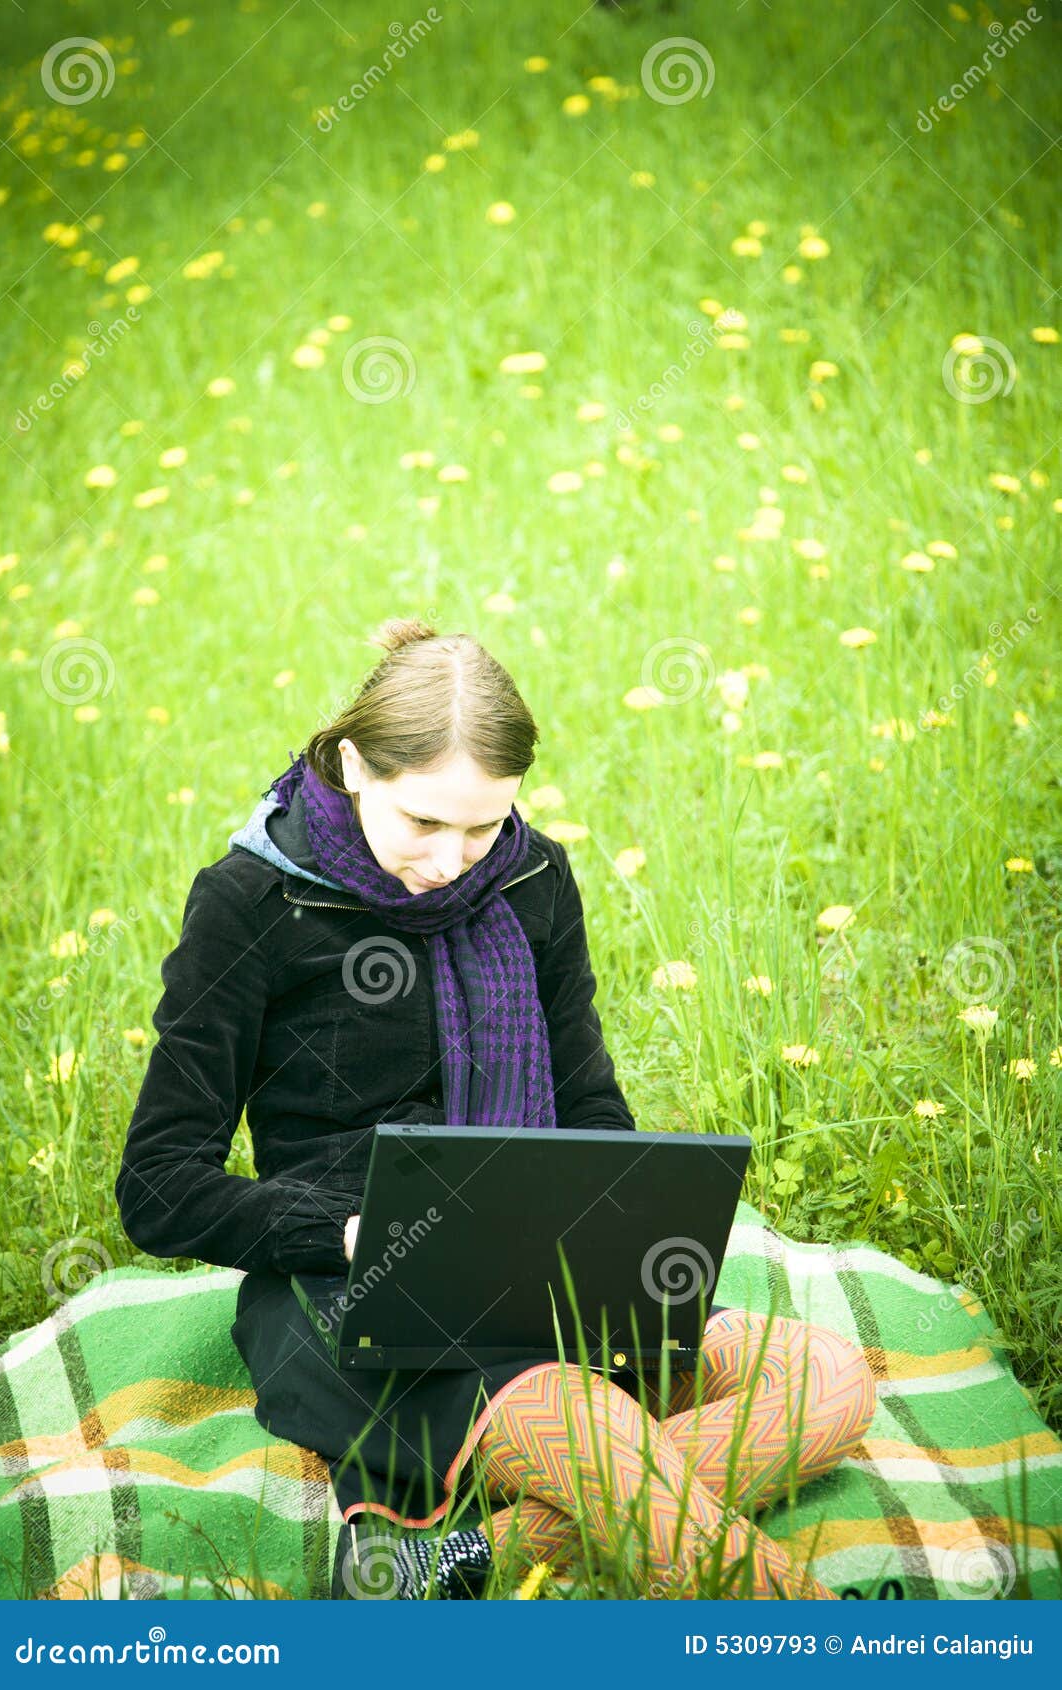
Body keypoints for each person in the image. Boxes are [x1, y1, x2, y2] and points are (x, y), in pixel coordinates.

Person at [115, 617, 875, 1601]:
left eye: (483, 825)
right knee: (578, 1416)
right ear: (352, 763)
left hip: (537, 1268)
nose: (454, 859)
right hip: (345, 1287)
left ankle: (467, 1561)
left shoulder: (533, 876)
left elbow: (592, 1108)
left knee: (826, 1377)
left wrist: (604, 1230)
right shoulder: (251, 902)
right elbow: (160, 1184)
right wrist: (348, 1231)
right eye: (424, 822)